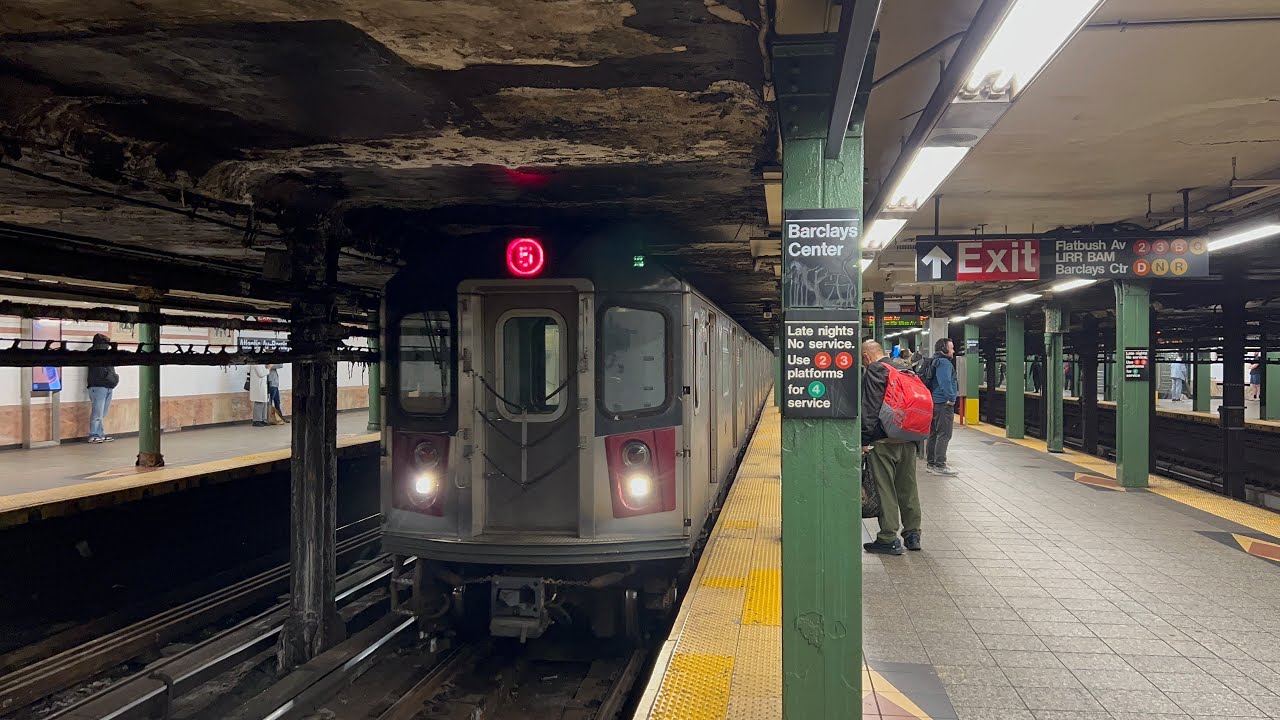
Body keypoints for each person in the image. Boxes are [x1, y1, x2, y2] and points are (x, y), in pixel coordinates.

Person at [860, 340, 922, 555]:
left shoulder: (875, 370)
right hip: (908, 438)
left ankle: (888, 537)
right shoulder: (904, 369)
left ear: (867, 356)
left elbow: (870, 407)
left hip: (884, 441)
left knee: (885, 487)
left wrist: (864, 440)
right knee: (908, 487)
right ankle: (913, 534)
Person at [924, 338, 959, 476]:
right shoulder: (944, 363)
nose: (953, 351)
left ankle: (931, 463)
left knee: (933, 433)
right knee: (944, 434)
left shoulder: (935, 360)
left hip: (934, 402)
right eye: (951, 348)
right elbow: (946, 381)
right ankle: (940, 465)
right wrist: (951, 398)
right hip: (943, 403)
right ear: (944, 349)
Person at [86, 333, 119, 443]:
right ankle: (94, 435)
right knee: (97, 413)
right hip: (98, 387)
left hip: (107, 386)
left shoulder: (106, 354)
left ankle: (100, 434)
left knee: (102, 413)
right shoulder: (94, 353)